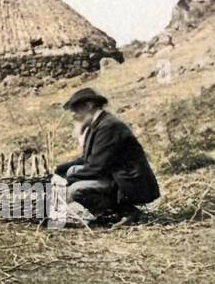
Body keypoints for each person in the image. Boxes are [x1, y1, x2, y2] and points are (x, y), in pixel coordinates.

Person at [54, 87, 159, 224]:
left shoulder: (108, 126)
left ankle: (126, 211)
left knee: (76, 190)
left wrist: (66, 181)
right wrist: (58, 170)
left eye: (77, 109)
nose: (73, 114)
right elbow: (86, 160)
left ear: (89, 105)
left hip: (129, 182)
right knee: (72, 171)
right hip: (115, 177)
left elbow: (97, 167)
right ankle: (111, 213)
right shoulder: (97, 125)